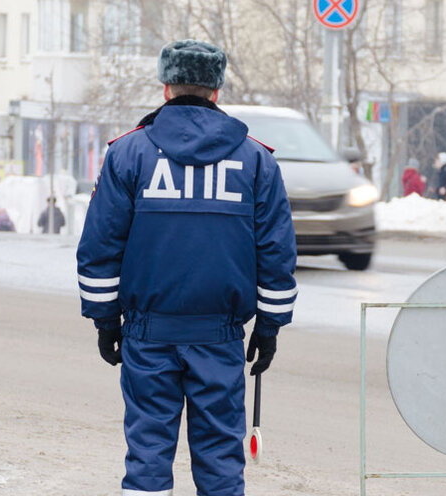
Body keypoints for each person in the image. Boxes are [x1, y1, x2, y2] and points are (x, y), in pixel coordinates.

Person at [76, 39, 297, 496]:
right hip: (219, 338)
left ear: (165, 87)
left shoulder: (128, 154)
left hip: (147, 334)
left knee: (148, 453)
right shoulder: (256, 161)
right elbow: (277, 252)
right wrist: (270, 327)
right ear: (216, 91)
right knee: (219, 456)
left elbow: (99, 248)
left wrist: (104, 321)